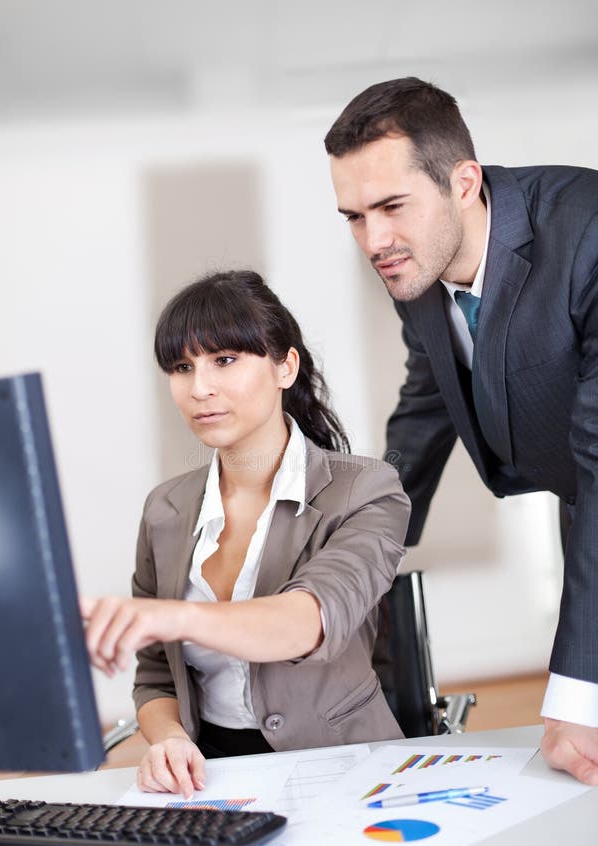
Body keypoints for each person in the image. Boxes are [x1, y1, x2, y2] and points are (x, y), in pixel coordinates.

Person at [324, 76, 598, 785]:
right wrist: (359, 561)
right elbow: (426, 405)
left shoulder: (588, 232)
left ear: (464, 181)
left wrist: (577, 688)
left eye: (390, 206)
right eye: (354, 216)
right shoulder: (418, 269)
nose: (374, 240)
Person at [82, 269, 410, 798]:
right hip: (208, 780)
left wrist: (170, 615)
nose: (200, 388)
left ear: (286, 367)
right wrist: (167, 738)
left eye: (225, 360)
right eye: (182, 367)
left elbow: (309, 621)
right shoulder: (165, 509)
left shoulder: (366, 489)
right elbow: (157, 675)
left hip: (346, 770)